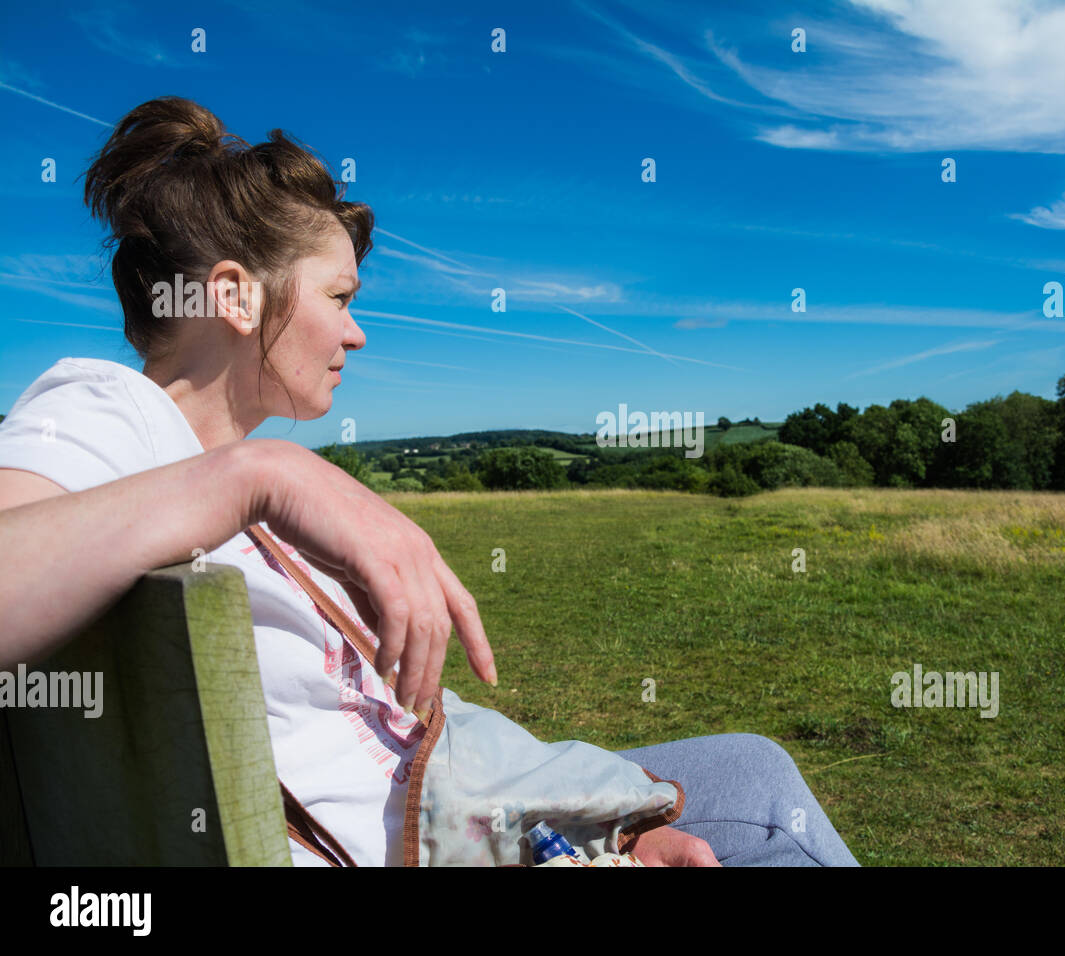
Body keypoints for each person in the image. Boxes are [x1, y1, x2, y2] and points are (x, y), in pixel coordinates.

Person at [0, 96, 859, 867]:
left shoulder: (186, 485)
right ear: (234, 298)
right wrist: (264, 471)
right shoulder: (110, 412)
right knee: (758, 789)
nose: (358, 333)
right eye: (340, 297)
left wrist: (608, 833)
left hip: (451, 823)